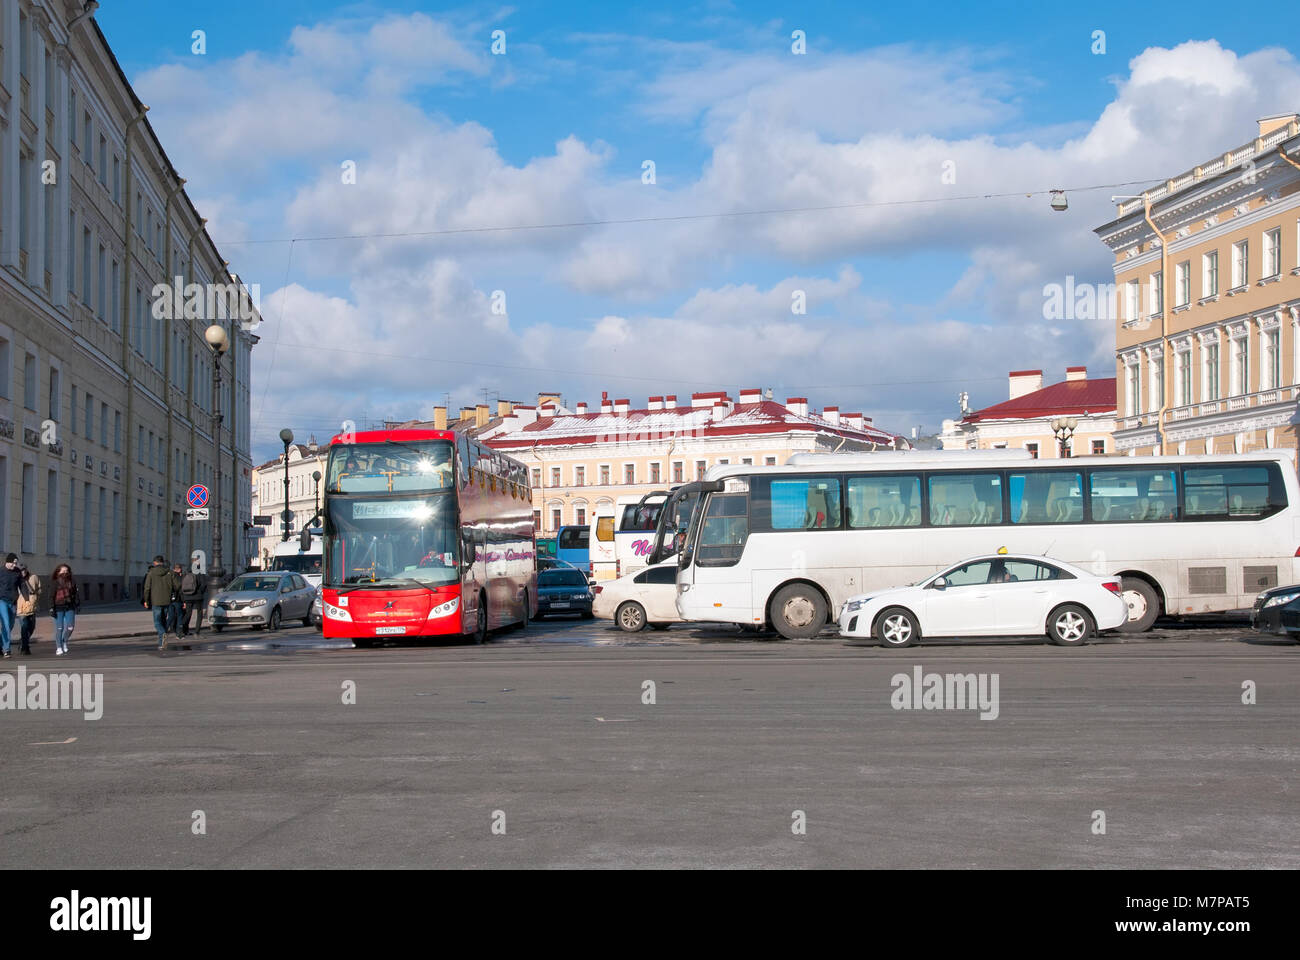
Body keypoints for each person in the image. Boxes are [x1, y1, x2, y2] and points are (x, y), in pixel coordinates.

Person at [142, 556, 179, 650]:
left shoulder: (151, 573)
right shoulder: (170, 572)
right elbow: (178, 586)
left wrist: (146, 600)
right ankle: (162, 643)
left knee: (157, 622)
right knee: (163, 621)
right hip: (167, 600)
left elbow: (147, 588)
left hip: (156, 601)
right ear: (163, 562)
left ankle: (163, 635)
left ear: (155, 563)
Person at [0, 553, 28, 659]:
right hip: (2, 600)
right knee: (6, 624)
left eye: (15, 563)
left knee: (10, 625)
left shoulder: (17, 572)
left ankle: (1, 643)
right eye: (13, 563)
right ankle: (6, 649)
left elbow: (22, 585)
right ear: (8, 562)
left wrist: (26, 599)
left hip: (13, 602)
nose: (14, 565)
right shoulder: (1, 571)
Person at [49, 565, 79, 656]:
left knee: (70, 627)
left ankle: (64, 641)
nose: (65, 573)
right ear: (58, 572)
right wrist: (51, 608)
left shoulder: (72, 582)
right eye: (63, 571)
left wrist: (77, 604)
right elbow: (51, 596)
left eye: (67, 571)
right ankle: (58, 647)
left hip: (70, 606)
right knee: (60, 628)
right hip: (58, 607)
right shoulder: (55, 582)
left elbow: (76, 594)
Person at [15, 566, 41, 655]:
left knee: (32, 627)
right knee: (24, 626)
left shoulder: (33, 577)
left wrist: (36, 597)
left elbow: (39, 589)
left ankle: (23, 642)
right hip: (21, 607)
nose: (23, 571)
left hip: (32, 606)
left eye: (24, 569)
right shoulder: (16, 579)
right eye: (21, 570)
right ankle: (25, 648)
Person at [178, 565, 207, 637]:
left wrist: (184, 597)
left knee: (188, 613)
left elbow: (182, 586)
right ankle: (196, 632)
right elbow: (203, 584)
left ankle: (181, 626)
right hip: (198, 596)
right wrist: (200, 592)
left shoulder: (186, 574)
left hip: (187, 596)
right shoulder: (200, 573)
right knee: (199, 614)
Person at [167, 563, 186, 640]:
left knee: (170, 616)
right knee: (179, 616)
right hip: (178, 599)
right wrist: (184, 601)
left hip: (169, 599)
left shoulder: (168, 576)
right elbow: (181, 590)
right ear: (179, 569)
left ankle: (163, 631)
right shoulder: (178, 577)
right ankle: (179, 634)